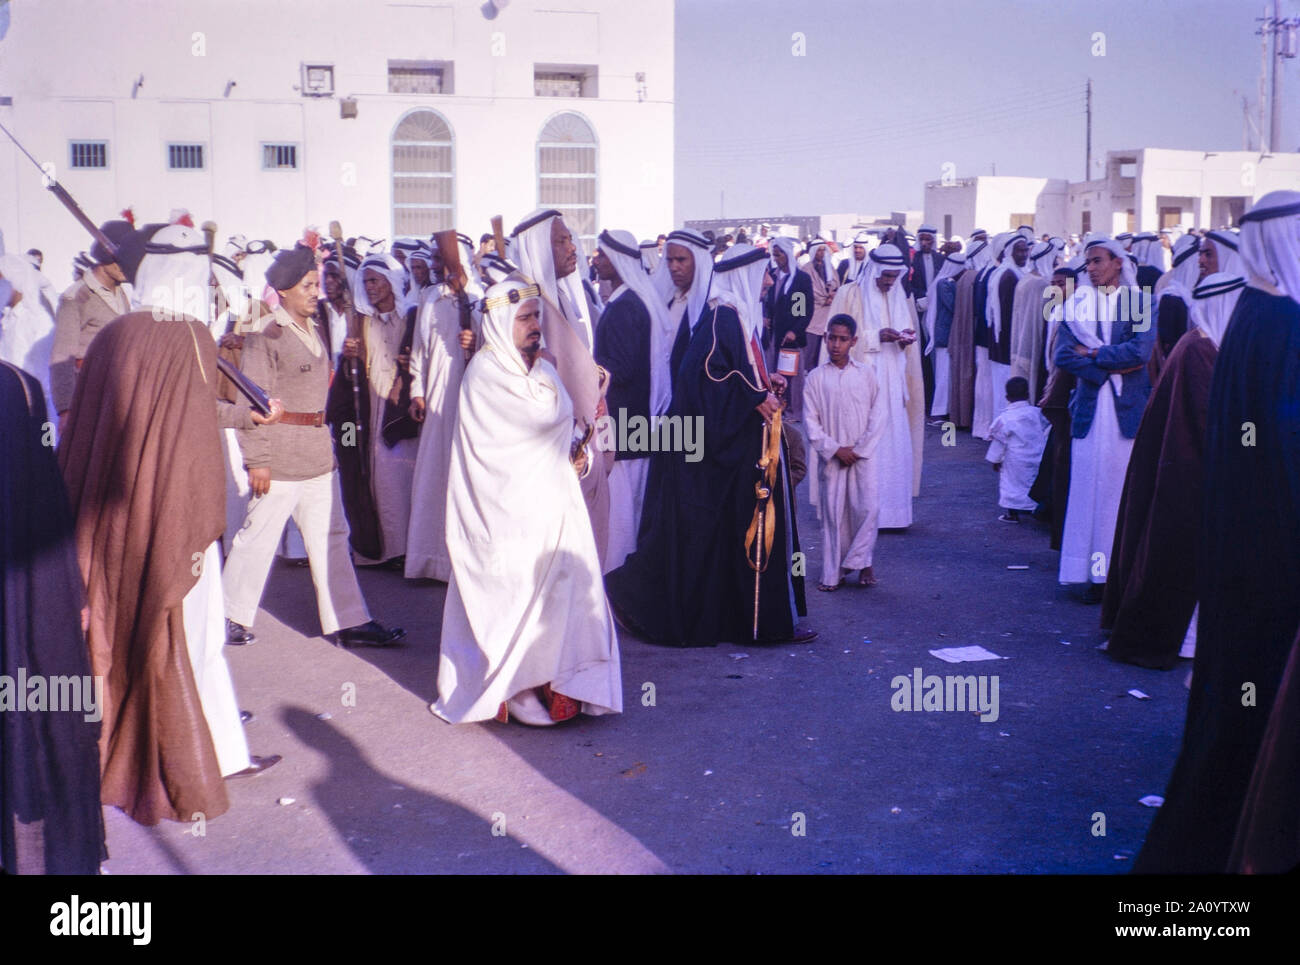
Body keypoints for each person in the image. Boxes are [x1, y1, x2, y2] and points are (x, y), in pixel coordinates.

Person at [1135, 191, 1300, 872]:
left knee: (1234, 706)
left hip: (1241, 545)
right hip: (1275, 552)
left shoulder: (1250, 316)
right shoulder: (1283, 324)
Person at [432, 278, 622, 725]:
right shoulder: (485, 376)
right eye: (524, 318)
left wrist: (578, 448)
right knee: (516, 599)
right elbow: (523, 440)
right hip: (505, 516)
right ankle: (514, 687)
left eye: (536, 316)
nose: (535, 325)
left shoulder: (542, 371)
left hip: (554, 510)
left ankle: (568, 682)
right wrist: (565, 436)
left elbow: (563, 430)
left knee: (569, 593)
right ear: (501, 322)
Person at [607, 244, 814, 646]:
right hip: (723, 450)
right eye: (764, 274)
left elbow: (729, 371)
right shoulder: (724, 316)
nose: (768, 282)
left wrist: (763, 383)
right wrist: (753, 396)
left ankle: (760, 622)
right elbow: (701, 377)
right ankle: (759, 624)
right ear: (745, 275)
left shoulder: (733, 315)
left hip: (740, 444)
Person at [223, 245, 405, 648]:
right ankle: (230, 614)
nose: (315, 292)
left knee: (333, 539)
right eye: (307, 286)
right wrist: (258, 460)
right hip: (280, 457)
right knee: (258, 537)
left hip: (318, 457)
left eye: (315, 284)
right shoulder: (265, 334)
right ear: (284, 290)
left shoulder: (315, 326)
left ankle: (349, 620)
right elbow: (251, 402)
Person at [1102, 271, 1244, 670]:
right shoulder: (1200, 349)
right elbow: (1211, 418)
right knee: (1181, 559)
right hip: (1188, 473)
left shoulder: (1203, 342)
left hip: (1183, 466)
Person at [1, 359, 104, 871]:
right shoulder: (19, 384)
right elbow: (47, 499)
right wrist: (68, 593)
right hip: (26, 589)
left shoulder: (19, 386)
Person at [1052, 237, 1153, 595]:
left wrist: (1094, 353)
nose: (1091, 268)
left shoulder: (1140, 302)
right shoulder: (1076, 305)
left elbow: (1141, 351)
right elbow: (1064, 355)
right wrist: (1108, 369)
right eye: (1088, 263)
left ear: (1117, 263)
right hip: (1091, 409)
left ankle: (1116, 576)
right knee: (1086, 491)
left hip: (1127, 412)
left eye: (1097, 261)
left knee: (1118, 492)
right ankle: (1089, 574)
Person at [824, 244, 923, 528]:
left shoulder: (900, 296)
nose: (890, 281)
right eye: (886, 275)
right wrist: (876, 336)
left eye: (895, 276)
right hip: (860, 384)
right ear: (875, 270)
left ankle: (893, 515)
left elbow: (908, 344)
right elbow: (834, 339)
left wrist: (904, 340)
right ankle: (858, 513)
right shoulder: (849, 294)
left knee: (892, 446)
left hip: (893, 385)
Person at [593, 228, 671, 569]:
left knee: (622, 515)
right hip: (633, 423)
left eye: (602, 254)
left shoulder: (626, 307)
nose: (596, 260)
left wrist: (585, 369)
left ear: (618, 260)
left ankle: (618, 580)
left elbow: (621, 369)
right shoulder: (630, 301)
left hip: (624, 425)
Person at [405, 236, 482, 582]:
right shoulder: (430, 297)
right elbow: (420, 349)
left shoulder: (478, 298)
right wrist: (417, 391)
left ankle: (460, 565)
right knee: (433, 476)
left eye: (441, 259)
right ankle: (429, 560)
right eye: (434, 259)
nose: (436, 266)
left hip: (468, 398)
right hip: (435, 398)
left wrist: (475, 341)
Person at [340, 253, 420, 566]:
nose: (370, 287)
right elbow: (350, 376)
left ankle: (405, 550)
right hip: (368, 412)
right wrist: (350, 356)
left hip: (400, 411)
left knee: (402, 479)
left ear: (392, 282)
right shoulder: (361, 322)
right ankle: (379, 551)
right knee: (374, 480)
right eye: (366, 282)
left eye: (375, 280)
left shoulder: (411, 318)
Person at [804, 314, 885, 590]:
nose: (836, 345)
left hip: (863, 454)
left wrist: (860, 449)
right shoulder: (815, 378)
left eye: (842, 339)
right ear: (825, 338)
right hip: (833, 457)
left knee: (867, 509)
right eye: (832, 338)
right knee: (833, 514)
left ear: (854, 341)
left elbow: (878, 414)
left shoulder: (866, 374)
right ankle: (832, 574)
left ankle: (862, 561)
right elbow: (811, 423)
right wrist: (835, 449)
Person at [48, 219, 137, 424]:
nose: (126, 265)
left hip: (117, 391)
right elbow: (62, 357)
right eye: (121, 259)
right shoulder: (75, 297)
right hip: (88, 393)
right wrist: (65, 410)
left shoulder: (121, 293)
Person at [764, 235, 814, 421]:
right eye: (774, 255)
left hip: (789, 338)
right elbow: (766, 302)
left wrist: (795, 331)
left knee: (791, 376)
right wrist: (765, 317)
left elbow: (802, 311)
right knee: (773, 373)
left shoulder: (799, 279)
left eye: (779, 255)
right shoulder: (772, 276)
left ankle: (793, 412)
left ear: (787, 254)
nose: (776, 258)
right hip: (772, 336)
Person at [985, 377, 1048, 523]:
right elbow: (1047, 426)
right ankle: (1035, 508)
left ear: (1007, 397)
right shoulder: (1037, 413)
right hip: (1037, 454)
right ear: (1027, 395)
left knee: (1012, 485)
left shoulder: (1004, 418)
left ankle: (1012, 514)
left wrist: (995, 460)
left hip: (1015, 459)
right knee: (1034, 481)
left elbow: (999, 442)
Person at [653, 228, 713, 380]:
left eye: (681, 260)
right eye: (669, 260)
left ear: (698, 261)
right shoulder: (665, 300)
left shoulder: (712, 306)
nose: (673, 267)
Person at [1008, 237, 1063, 403]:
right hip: (1033, 344)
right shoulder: (1042, 284)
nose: (1055, 263)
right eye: (1053, 259)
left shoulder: (1026, 278)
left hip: (1021, 344)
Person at [985, 234, 1029, 427]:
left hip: (1002, 345)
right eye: (1020, 250)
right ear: (1010, 252)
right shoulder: (1008, 276)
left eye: (1026, 250)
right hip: (1005, 345)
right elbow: (1006, 315)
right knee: (1005, 392)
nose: (1024, 254)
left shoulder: (1011, 272)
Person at [947, 238, 991, 428]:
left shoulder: (966, 276)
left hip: (963, 334)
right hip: (971, 334)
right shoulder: (975, 277)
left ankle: (963, 417)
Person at [924, 252, 966, 420]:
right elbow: (953, 306)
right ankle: (939, 411)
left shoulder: (949, 283)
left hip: (949, 334)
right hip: (944, 335)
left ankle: (948, 408)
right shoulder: (944, 284)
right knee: (943, 375)